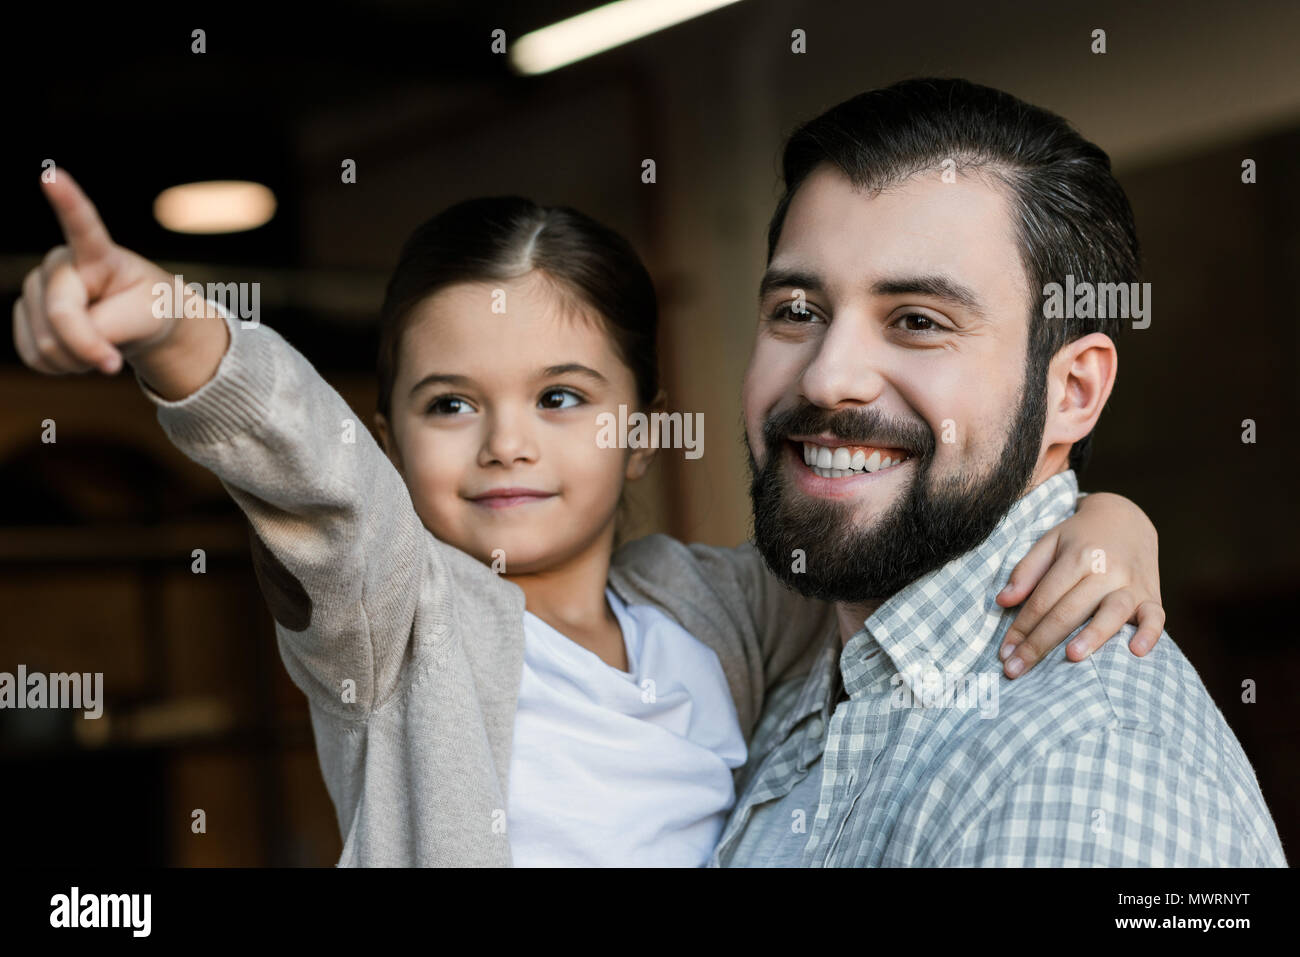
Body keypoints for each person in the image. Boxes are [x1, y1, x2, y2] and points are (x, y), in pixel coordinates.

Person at [16, 168, 1164, 867]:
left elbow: (914, 560)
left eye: (562, 398)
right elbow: (306, 469)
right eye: (449, 404)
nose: (507, 441)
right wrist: (172, 327)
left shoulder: (721, 608)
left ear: (640, 422)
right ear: (388, 438)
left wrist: (1105, 512)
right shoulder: (398, 624)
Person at [713, 77, 1287, 866]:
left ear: (1071, 392)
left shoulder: (1086, 771)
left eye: (918, 321)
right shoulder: (795, 666)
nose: (825, 378)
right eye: (797, 311)